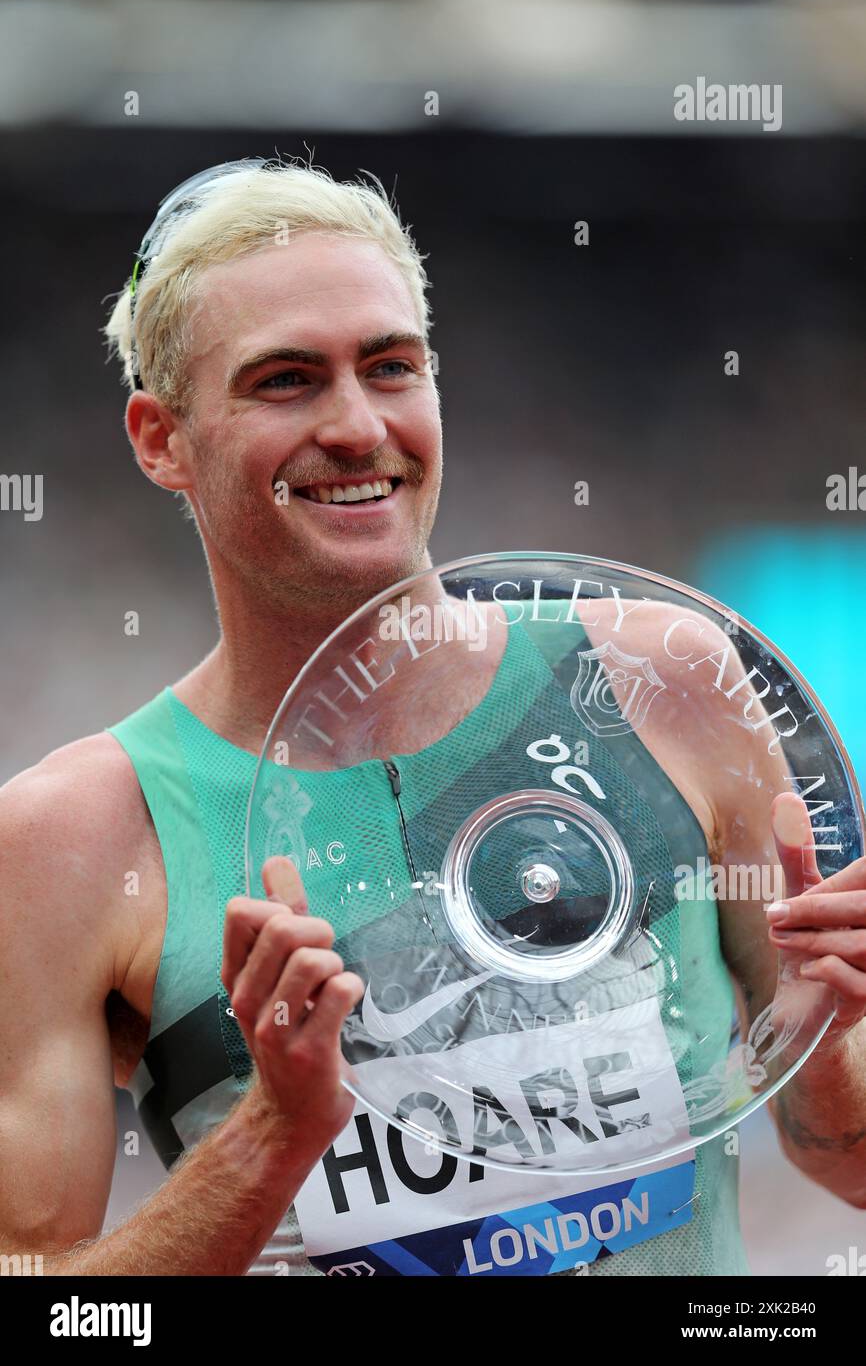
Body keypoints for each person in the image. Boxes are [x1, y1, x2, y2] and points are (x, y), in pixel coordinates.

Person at [1, 158, 865, 1277]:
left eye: (391, 366)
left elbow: (842, 1159)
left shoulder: (664, 678)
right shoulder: (67, 839)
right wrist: (271, 1135)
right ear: (160, 438)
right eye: (285, 381)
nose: (358, 426)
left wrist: (828, 1036)